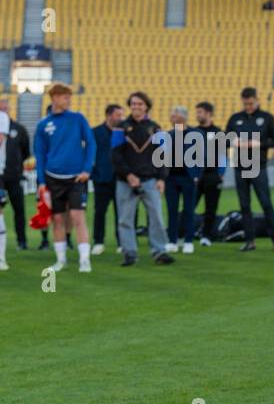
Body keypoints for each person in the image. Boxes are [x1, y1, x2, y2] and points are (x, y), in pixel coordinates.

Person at [33, 82, 95, 273]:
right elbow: (40, 155)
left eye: (69, 96)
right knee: (57, 220)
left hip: (77, 178)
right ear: (54, 98)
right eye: (65, 96)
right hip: (52, 178)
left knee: (78, 217)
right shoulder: (43, 124)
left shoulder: (78, 118)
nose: (68, 99)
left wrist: (86, 170)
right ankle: (61, 260)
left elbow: (91, 144)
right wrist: (42, 183)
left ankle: (85, 260)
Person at [112, 91, 174, 266]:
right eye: (133, 104)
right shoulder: (120, 127)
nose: (136, 107)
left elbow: (163, 155)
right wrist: (128, 175)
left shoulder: (156, 128)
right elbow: (116, 155)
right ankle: (129, 253)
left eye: (139, 104)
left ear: (146, 106)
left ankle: (160, 251)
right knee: (125, 219)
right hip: (125, 181)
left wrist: (162, 178)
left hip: (150, 180)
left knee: (156, 217)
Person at [225, 86, 274, 252]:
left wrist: (260, 144)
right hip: (239, 166)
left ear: (257, 100)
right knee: (244, 205)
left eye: (251, 103)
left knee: (266, 203)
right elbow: (225, 139)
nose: (248, 106)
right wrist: (232, 142)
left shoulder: (267, 118)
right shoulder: (235, 118)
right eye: (245, 104)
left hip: (258, 166)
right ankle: (250, 241)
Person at [161, 105, 199, 254]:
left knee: (189, 210)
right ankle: (172, 240)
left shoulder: (195, 134)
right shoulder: (168, 135)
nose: (171, 118)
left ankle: (188, 240)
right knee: (172, 210)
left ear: (183, 117)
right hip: (170, 178)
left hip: (188, 177)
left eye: (174, 115)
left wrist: (197, 175)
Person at [90, 103, 124, 254]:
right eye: (118, 115)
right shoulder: (95, 132)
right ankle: (98, 241)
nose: (121, 118)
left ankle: (122, 242)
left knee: (122, 212)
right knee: (100, 211)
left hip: (120, 178)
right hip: (101, 178)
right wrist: (93, 172)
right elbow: (89, 154)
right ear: (109, 115)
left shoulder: (123, 132)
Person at [192, 101, 225, 246]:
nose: (197, 115)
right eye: (197, 112)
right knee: (189, 206)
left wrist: (221, 172)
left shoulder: (218, 132)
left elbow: (223, 154)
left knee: (210, 208)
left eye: (200, 112)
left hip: (212, 175)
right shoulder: (192, 132)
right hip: (196, 175)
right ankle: (186, 234)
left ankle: (206, 236)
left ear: (208, 113)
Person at [0, 98, 31, 249]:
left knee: (19, 209)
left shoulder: (19, 129)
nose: (4, 111)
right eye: (1, 108)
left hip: (14, 176)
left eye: (6, 108)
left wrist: (16, 165)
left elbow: (26, 151)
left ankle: (22, 241)